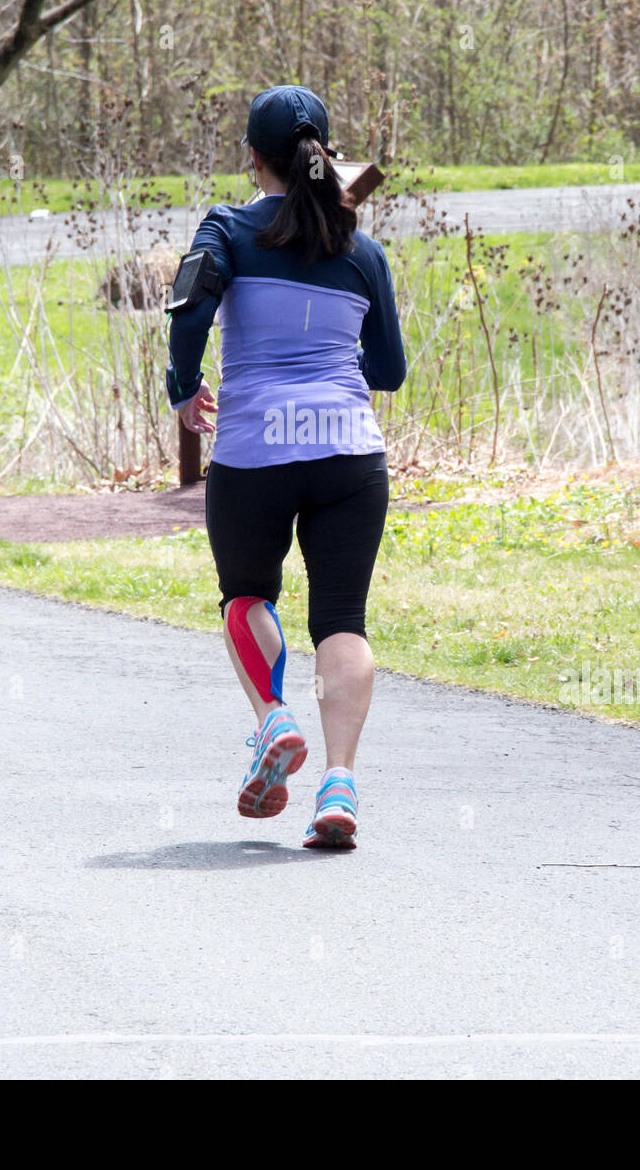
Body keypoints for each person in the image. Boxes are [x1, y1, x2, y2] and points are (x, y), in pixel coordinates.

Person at [166, 85, 406, 849]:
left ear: (253, 157)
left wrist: (182, 388)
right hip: (348, 454)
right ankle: (338, 783)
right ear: (325, 154)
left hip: (254, 451)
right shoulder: (362, 251)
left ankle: (274, 721)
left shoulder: (227, 230)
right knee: (341, 620)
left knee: (245, 595)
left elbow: (188, 313)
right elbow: (389, 369)